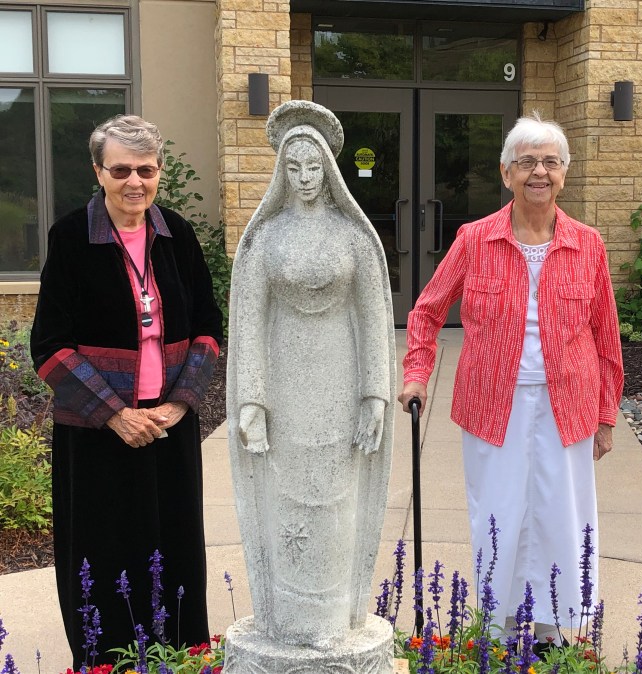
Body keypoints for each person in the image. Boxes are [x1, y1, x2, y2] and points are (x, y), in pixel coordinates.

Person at [398, 113, 623, 651]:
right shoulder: (474, 240)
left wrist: (606, 415)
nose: (538, 172)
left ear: (565, 174)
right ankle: (497, 628)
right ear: (506, 173)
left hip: (568, 403)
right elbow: (426, 312)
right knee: (499, 512)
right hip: (489, 404)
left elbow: (606, 336)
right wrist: (416, 377)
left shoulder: (588, 244)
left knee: (559, 513)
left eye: (549, 162)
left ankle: (548, 630)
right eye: (526, 163)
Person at [30, 115, 222, 661]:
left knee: (176, 543)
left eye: (145, 169)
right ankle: (106, 660)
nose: (134, 181)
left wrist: (182, 404)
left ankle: (182, 658)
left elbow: (209, 325)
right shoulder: (71, 236)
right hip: (96, 430)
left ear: (158, 171)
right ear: (99, 172)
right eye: (120, 170)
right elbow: (49, 345)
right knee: (103, 550)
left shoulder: (176, 233)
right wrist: (116, 414)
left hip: (169, 424)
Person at [227, 100, 394, 647]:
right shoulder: (264, 240)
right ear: (282, 171)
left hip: (341, 379)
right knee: (290, 495)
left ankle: (329, 618)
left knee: (335, 494)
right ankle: (290, 617)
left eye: (313, 168)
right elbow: (248, 322)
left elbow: (374, 320)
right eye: (293, 168)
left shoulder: (353, 239)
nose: (303, 178)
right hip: (283, 383)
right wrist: (250, 400)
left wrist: (376, 395)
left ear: (329, 171)